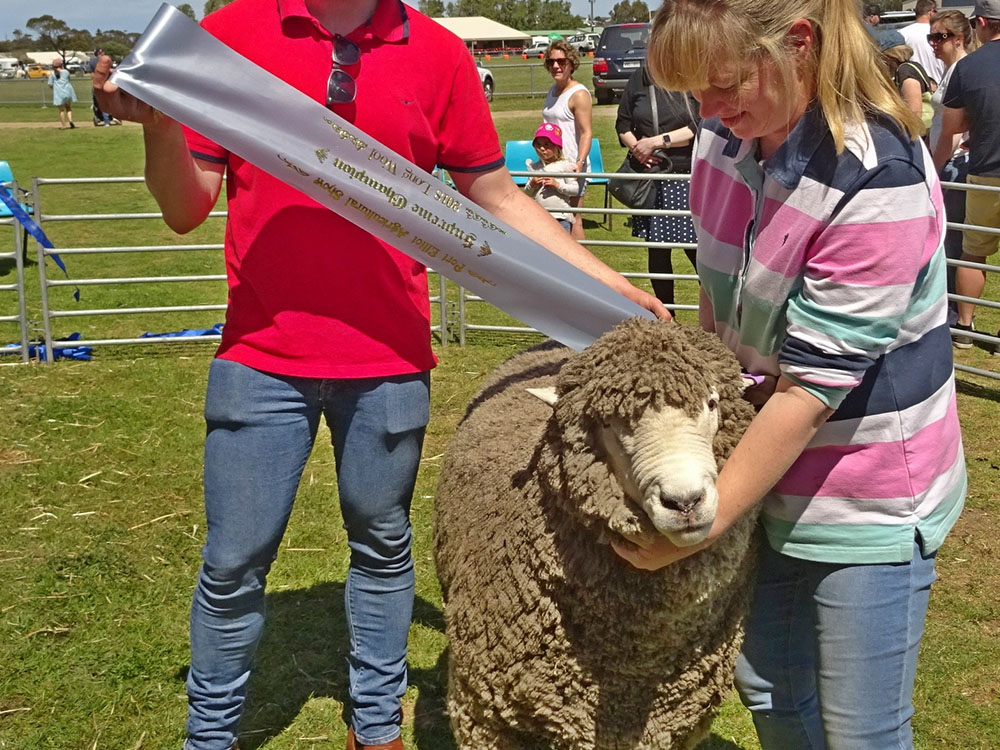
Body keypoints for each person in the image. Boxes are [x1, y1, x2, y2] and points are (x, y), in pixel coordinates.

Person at [92, 2, 667, 749]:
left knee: (382, 544)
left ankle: (376, 725)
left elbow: (493, 196)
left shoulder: (438, 54)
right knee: (233, 562)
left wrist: (607, 285)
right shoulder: (233, 33)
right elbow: (184, 209)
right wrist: (160, 122)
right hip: (262, 358)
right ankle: (210, 734)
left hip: (389, 360)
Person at [616, 2, 967, 750]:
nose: (706, 114)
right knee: (770, 690)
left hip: (863, 492)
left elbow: (811, 391)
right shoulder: (720, 140)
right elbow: (715, 307)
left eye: (721, 86)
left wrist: (698, 528)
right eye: (693, 98)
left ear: (798, 45)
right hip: (758, 470)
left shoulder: (876, 176)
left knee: (860, 733)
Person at [933, 0, 1000, 354]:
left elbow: (952, 130)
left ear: (984, 23)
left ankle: (963, 327)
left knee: (973, 253)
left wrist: (933, 170)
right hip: (986, 167)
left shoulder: (968, 67)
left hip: (985, 170)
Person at [615, 60, 700, 308]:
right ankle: (666, 316)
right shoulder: (640, 78)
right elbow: (622, 123)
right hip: (652, 179)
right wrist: (638, 148)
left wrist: (658, 142)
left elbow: (699, 124)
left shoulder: (690, 78)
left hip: (685, 177)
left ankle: (714, 316)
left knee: (696, 251)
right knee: (658, 251)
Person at [928, 10, 975, 327]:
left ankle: (956, 313)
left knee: (951, 239)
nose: (933, 43)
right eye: (931, 36)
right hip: (947, 160)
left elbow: (954, 131)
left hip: (953, 163)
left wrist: (934, 167)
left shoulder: (962, 71)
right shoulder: (950, 71)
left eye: (940, 37)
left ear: (959, 38)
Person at [541, 40, 593, 241]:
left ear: (571, 63)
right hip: (552, 166)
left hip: (571, 166)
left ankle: (584, 270)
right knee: (553, 218)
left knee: (573, 218)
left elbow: (586, 132)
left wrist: (579, 163)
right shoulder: (552, 92)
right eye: (551, 62)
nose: (556, 66)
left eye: (561, 61)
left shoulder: (578, 94)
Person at [524, 122, 580, 233]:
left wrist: (557, 185)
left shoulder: (565, 166)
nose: (542, 148)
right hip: (540, 216)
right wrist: (532, 184)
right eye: (538, 145)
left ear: (557, 146)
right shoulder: (534, 168)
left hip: (560, 216)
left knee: (561, 248)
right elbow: (526, 193)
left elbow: (575, 190)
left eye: (547, 144)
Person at [877, 29, 936, 134]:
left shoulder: (905, 71)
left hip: (919, 135)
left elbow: (914, 113)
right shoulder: (911, 67)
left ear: (889, 56)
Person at [900, 0, 946, 83]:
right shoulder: (941, 33)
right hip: (938, 85)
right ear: (931, 12)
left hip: (912, 85)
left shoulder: (902, 34)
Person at [47, 58, 77, 129]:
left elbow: (50, 84)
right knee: (68, 108)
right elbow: (68, 79)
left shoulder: (52, 74)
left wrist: (53, 88)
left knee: (61, 110)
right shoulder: (66, 72)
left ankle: (64, 125)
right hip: (68, 91)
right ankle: (70, 120)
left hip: (59, 93)